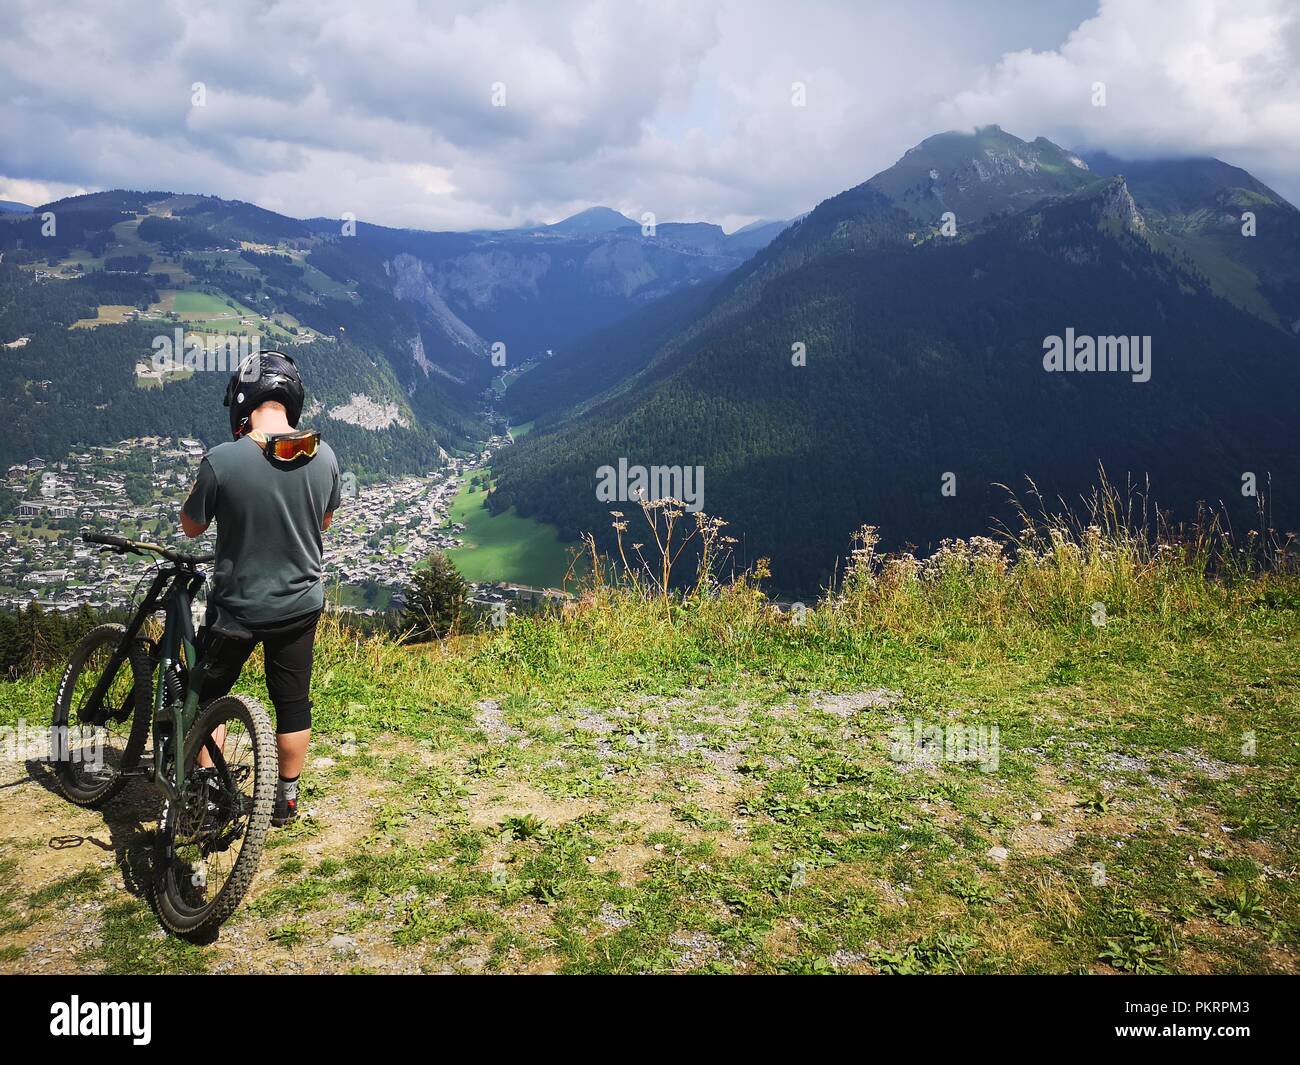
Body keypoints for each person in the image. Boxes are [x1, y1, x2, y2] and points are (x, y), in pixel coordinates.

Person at [180, 351, 340, 826]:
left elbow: (191, 526)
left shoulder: (222, 461)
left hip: (237, 609)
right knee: (292, 702)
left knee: (210, 699)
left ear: (243, 402)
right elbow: (325, 521)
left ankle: (210, 799)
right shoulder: (324, 454)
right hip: (300, 605)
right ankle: (286, 800)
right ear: (291, 401)